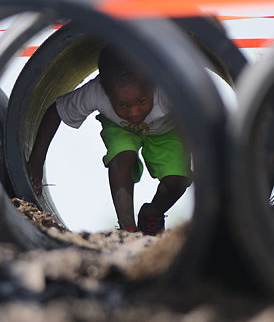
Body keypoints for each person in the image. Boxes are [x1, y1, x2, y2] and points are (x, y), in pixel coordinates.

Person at [26, 46, 192, 235]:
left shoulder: (168, 89)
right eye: (122, 105)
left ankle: (153, 212)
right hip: (120, 127)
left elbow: (198, 115)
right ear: (106, 92)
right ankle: (127, 226)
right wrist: (36, 162)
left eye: (141, 101)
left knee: (178, 180)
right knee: (122, 158)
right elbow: (55, 112)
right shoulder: (95, 92)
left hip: (167, 131)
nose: (134, 112)